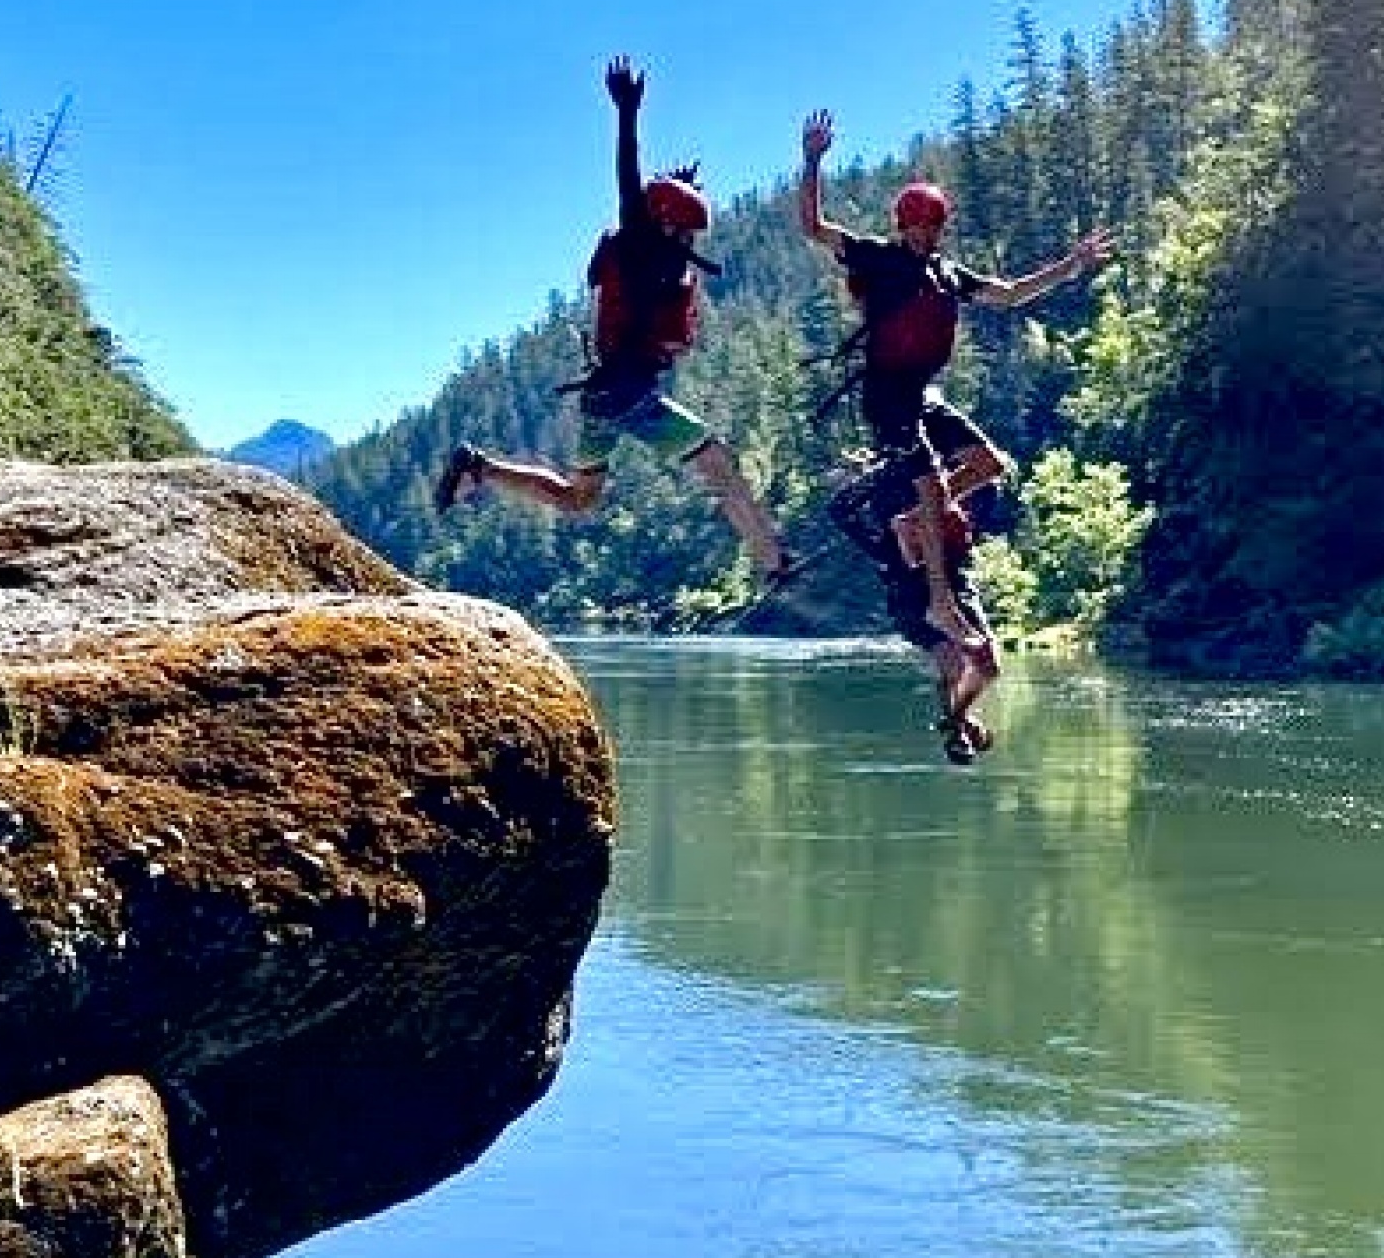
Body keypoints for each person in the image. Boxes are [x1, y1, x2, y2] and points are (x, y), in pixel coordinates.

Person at [435, 57, 793, 588]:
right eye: (688, 231)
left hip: (604, 398)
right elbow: (629, 179)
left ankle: (479, 467)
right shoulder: (637, 245)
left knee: (579, 499)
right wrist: (627, 113)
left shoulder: (659, 254)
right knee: (719, 463)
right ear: (669, 224)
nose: (694, 243)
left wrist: (677, 181)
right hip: (631, 399)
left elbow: (649, 198)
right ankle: (774, 564)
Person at [797, 106, 1114, 653]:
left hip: (921, 395)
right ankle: (941, 604)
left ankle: (909, 522)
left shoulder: (948, 274)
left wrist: (1071, 265)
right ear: (902, 225)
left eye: (933, 225)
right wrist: (811, 161)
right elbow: (813, 228)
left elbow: (1010, 293)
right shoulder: (878, 258)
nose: (924, 233)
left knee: (990, 464)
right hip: (885, 394)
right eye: (916, 225)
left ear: (941, 227)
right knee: (934, 486)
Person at [827, 425, 1003, 765]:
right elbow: (840, 509)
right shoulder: (881, 481)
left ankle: (957, 720)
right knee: (950, 660)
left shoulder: (943, 475)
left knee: (988, 664)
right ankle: (957, 728)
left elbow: (988, 486)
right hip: (907, 587)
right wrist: (879, 547)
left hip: (955, 578)